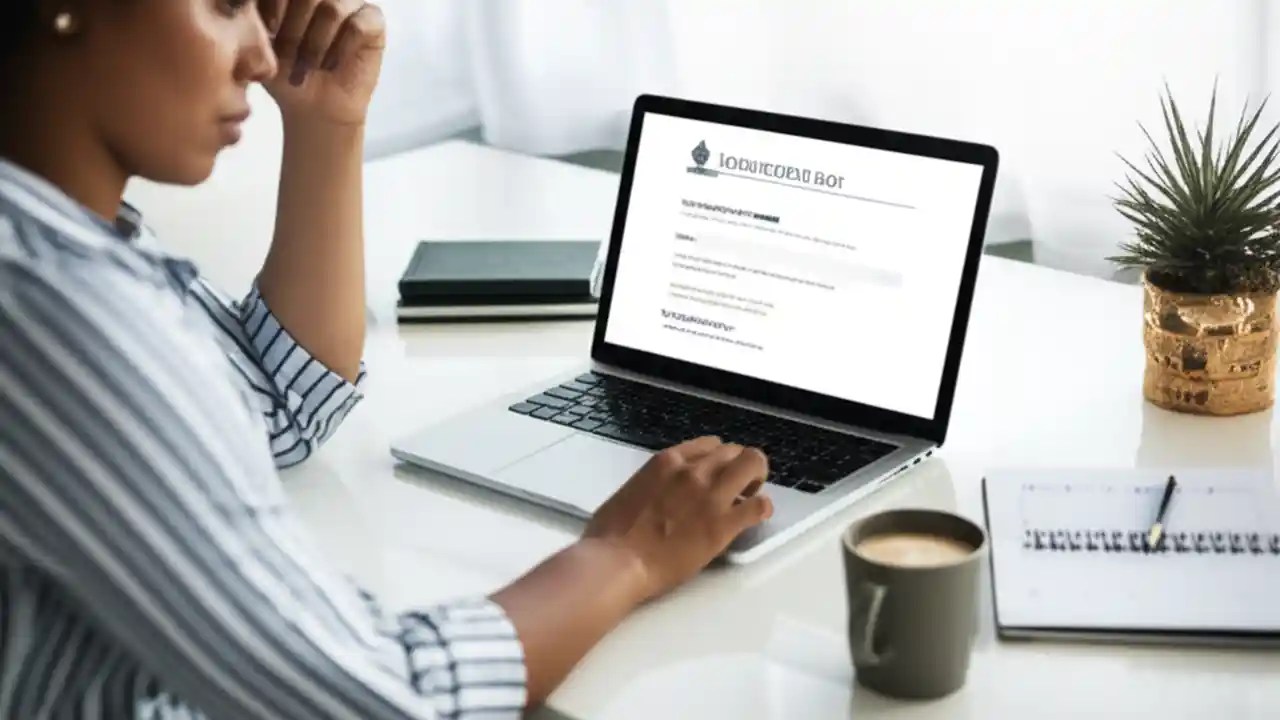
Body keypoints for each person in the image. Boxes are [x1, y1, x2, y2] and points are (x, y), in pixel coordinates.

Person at [0, 1, 774, 718]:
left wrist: (328, 124)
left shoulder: (65, 238)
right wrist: (627, 555)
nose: (262, 58)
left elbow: (275, 402)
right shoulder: (54, 305)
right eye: (226, 5)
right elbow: (371, 698)